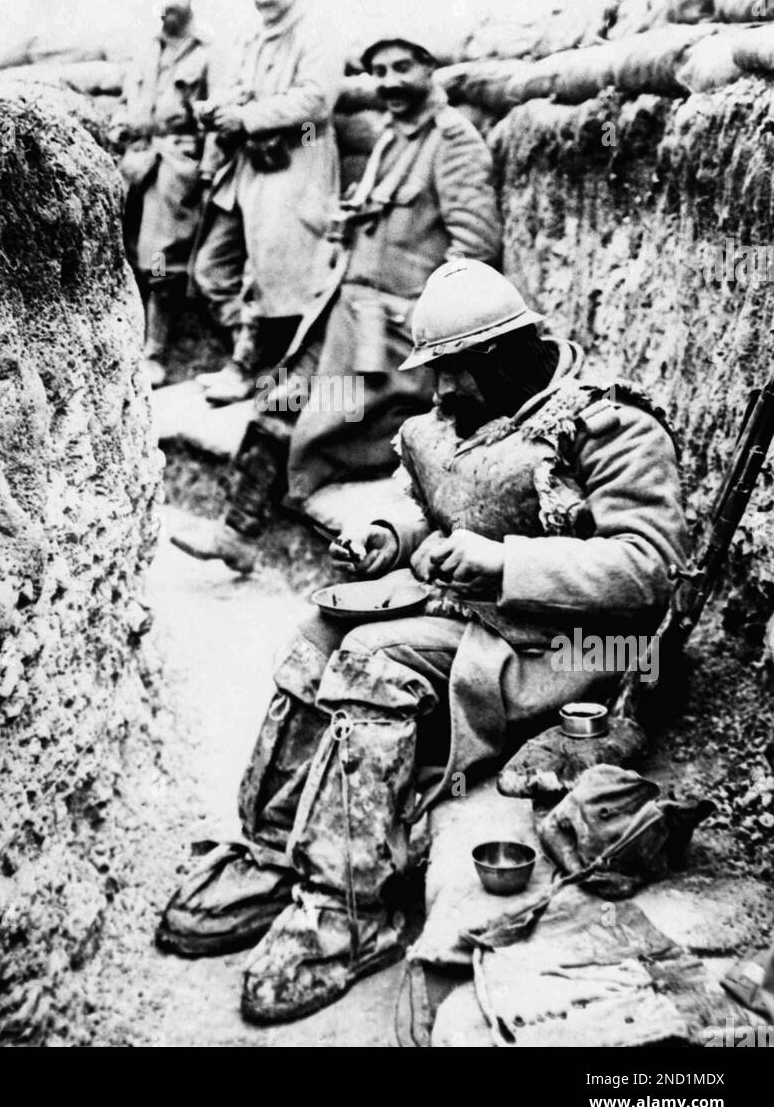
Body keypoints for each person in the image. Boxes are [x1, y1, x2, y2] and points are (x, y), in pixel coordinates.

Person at [156, 260, 689, 1024]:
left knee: (374, 666)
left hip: (564, 651)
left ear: (504, 356)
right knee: (318, 631)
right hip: (473, 618)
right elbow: (423, 497)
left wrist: (502, 563)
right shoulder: (462, 418)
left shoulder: (608, 429)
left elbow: (648, 569)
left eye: (453, 374)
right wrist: (384, 536)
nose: (439, 394)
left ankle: (350, 903)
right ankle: (277, 847)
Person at [171, 32, 502, 572]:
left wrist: (432, 332)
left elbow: (475, 248)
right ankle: (236, 533)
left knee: (317, 424)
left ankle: (250, 529)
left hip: (392, 343)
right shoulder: (391, 137)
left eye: (402, 68)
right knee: (275, 399)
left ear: (429, 67)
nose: (390, 82)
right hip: (341, 320)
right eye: (378, 72)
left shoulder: (452, 140)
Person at [191, 0, 343, 404]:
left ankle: (253, 368)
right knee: (211, 268)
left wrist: (249, 117)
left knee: (276, 274)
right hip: (247, 163)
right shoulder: (251, 36)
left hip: (298, 159)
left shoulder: (316, 33)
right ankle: (255, 363)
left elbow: (317, 99)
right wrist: (220, 109)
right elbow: (238, 86)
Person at [113, 0, 223, 387]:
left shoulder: (207, 51)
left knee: (160, 260)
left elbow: (216, 115)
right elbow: (127, 99)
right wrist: (120, 125)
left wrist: (207, 168)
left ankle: (155, 352)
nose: (168, 0)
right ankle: (124, 340)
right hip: (136, 160)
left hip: (176, 165)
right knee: (126, 251)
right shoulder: (145, 49)